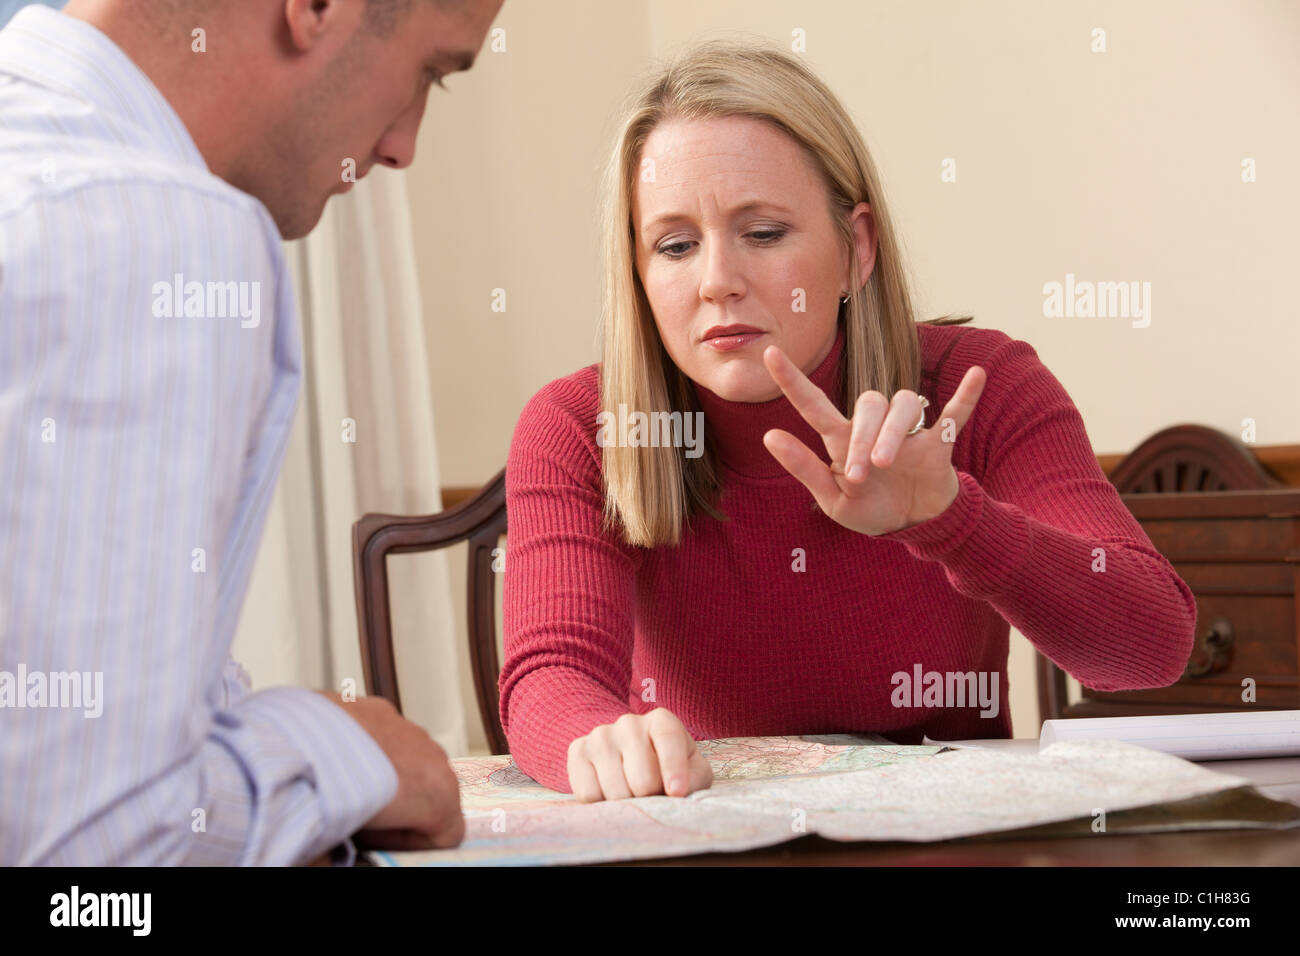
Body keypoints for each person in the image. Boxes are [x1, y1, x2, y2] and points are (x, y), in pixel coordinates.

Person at [498, 40, 1197, 802]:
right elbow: (551, 678)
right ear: (637, 271)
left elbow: (1152, 648)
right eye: (675, 245)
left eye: (762, 233)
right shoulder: (579, 428)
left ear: (855, 248)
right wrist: (603, 743)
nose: (717, 282)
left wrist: (950, 518)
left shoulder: (980, 386)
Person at [0, 0, 504, 865]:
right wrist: (349, 753)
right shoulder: (149, 227)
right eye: (430, 71)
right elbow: (90, 860)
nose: (402, 146)